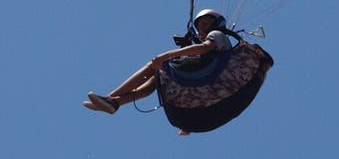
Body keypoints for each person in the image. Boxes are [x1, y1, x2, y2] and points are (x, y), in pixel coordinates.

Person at [83, 8, 231, 135]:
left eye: (206, 23)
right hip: (206, 85)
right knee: (157, 78)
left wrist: (167, 56)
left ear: (217, 23)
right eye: (199, 26)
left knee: (154, 65)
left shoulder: (217, 34)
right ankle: (115, 102)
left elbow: (205, 48)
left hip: (207, 78)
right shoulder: (212, 49)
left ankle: (111, 98)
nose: (202, 28)